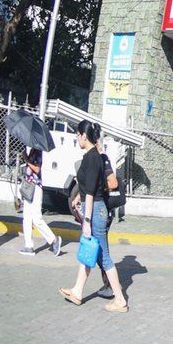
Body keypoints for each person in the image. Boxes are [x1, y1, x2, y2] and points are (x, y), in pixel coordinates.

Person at [59, 121, 130, 313]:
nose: (77, 139)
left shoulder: (92, 158)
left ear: (84, 135)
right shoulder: (94, 156)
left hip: (96, 211)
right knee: (90, 252)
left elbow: (90, 192)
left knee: (104, 257)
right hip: (97, 210)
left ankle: (121, 300)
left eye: (77, 135)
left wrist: (87, 221)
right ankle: (77, 291)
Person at [18, 146, 60, 256]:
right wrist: (26, 157)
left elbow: (37, 169)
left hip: (35, 188)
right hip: (30, 187)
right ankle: (28, 246)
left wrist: (26, 159)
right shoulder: (33, 151)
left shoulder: (38, 151)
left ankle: (54, 240)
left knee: (36, 218)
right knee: (27, 217)